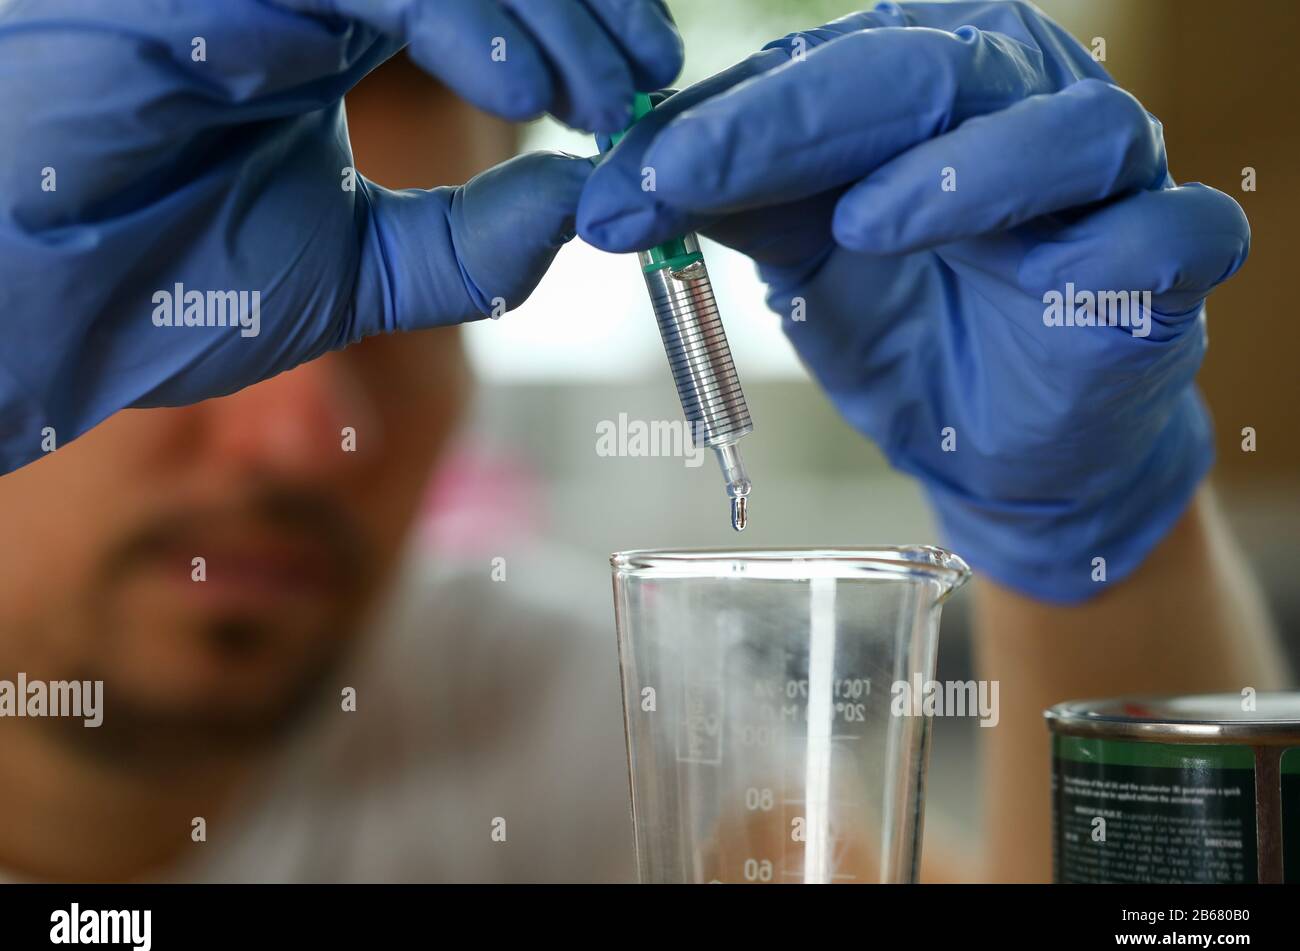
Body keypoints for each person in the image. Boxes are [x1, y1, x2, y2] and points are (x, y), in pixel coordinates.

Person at [0, 0, 1287, 882]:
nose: (313, 435)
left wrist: (1105, 551)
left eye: (393, 321)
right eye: (204, 326)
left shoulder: (565, 720)